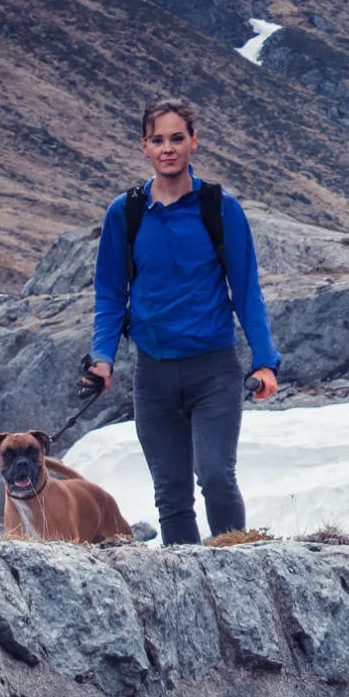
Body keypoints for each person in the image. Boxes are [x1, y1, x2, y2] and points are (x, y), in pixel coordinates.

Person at [86, 98, 280, 544]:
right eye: (158, 140)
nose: (167, 148)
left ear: (194, 141)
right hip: (152, 376)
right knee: (171, 495)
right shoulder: (126, 212)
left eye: (177, 138)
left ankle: (242, 571)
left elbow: (246, 290)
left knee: (215, 476)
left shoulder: (219, 208)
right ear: (144, 147)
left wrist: (265, 362)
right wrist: (102, 358)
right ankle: (191, 596)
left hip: (213, 370)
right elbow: (112, 293)